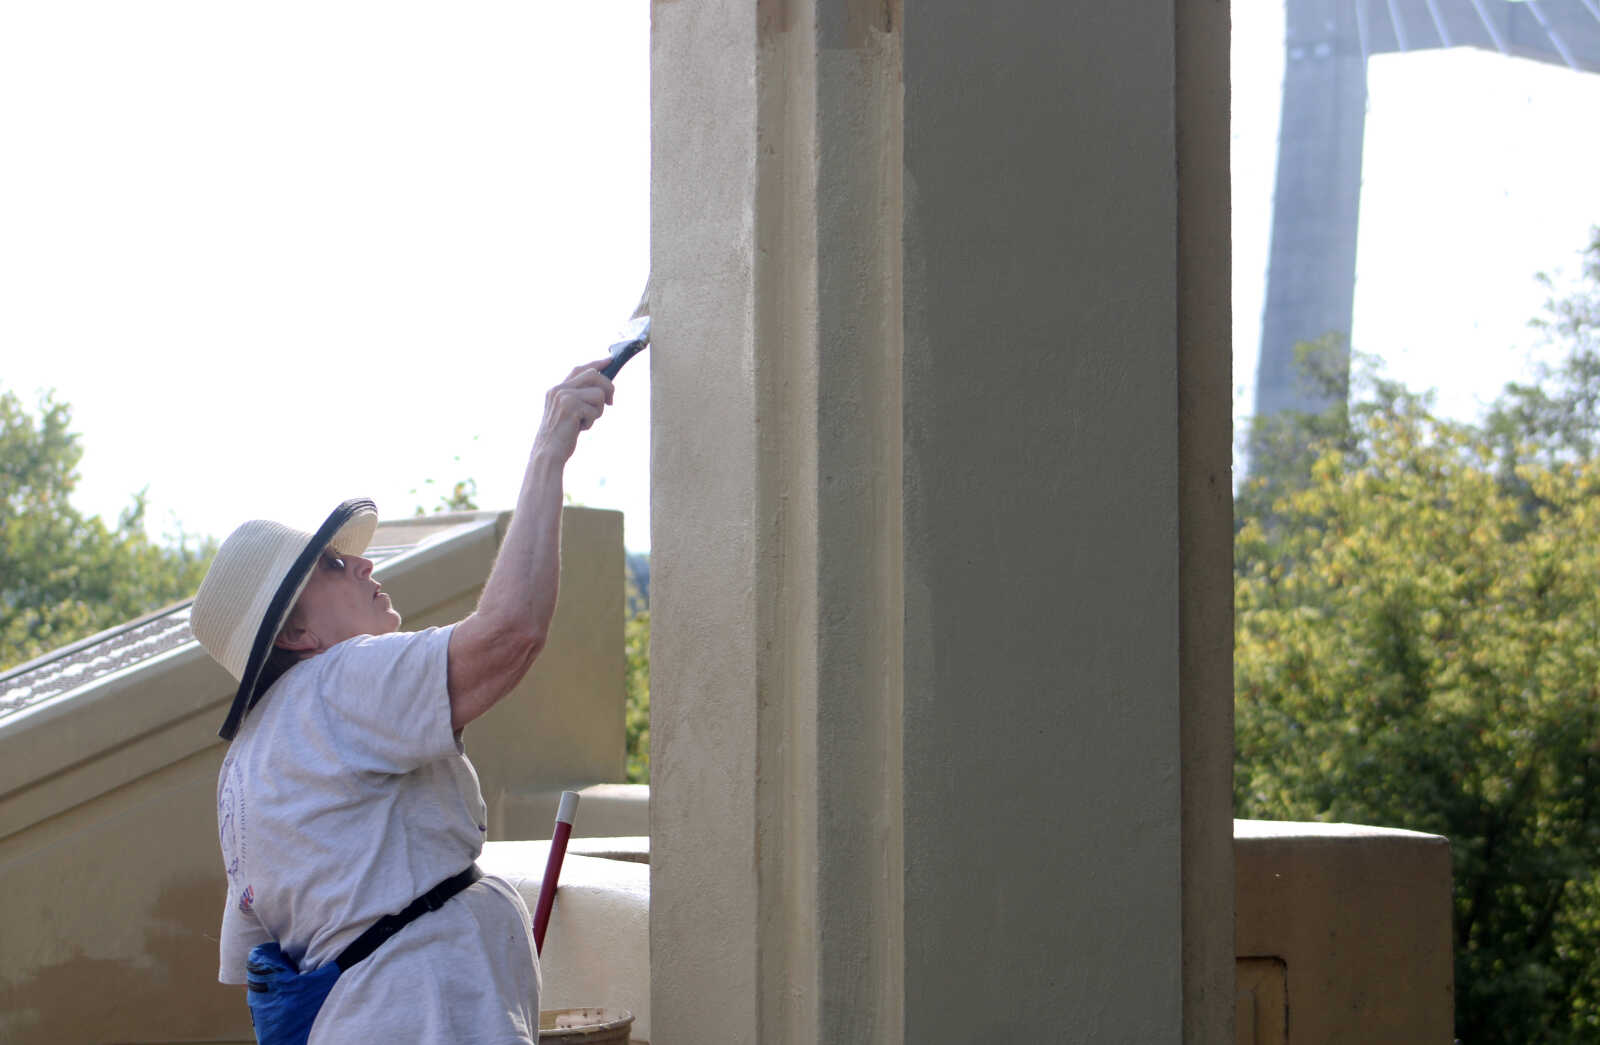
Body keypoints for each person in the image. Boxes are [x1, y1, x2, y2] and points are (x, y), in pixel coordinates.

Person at [190, 360, 614, 1044]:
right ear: (297, 634)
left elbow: (255, 957)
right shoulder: (338, 681)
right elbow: (510, 634)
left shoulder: (241, 772)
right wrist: (550, 448)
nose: (365, 563)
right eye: (332, 563)